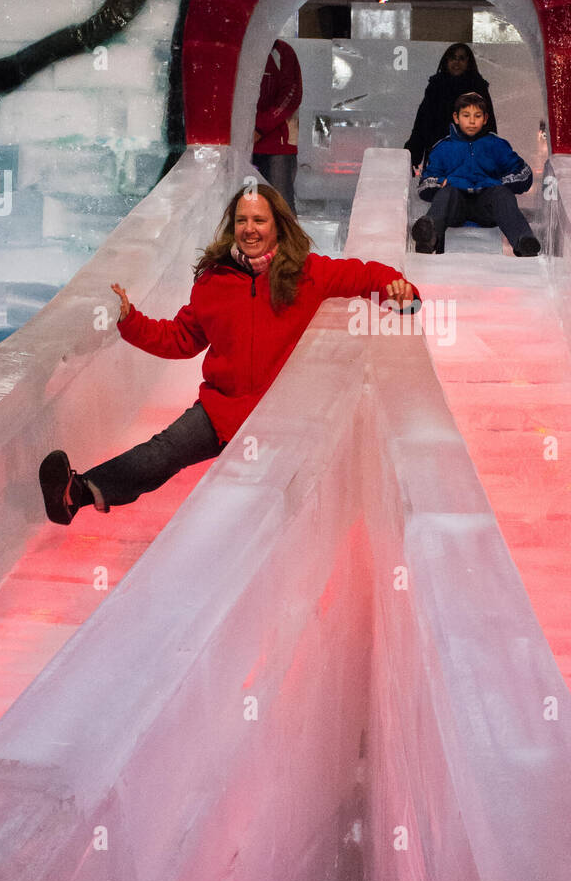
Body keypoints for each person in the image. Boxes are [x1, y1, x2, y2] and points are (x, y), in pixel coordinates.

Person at [38, 184, 420, 525]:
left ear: (277, 226)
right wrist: (131, 320)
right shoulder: (214, 280)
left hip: (280, 416)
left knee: (272, 502)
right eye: (241, 220)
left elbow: (364, 275)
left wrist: (400, 292)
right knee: (162, 453)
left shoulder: (308, 273)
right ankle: (78, 493)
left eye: (259, 220)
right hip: (222, 409)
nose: (250, 229)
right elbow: (181, 338)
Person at [411, 91, 540, 257]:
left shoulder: (496, 145)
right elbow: (425, 183)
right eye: (466, 115)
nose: (472, 121)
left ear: (485, 119)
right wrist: (441, 182)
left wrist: (501, 183)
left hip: (487, 206)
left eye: (477, 116)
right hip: (456, 208)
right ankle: (427, 236)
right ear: (456, 118)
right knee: (447, 192)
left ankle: (524, 241)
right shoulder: (444, 148)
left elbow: (524, 174)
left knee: (502, 194)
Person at [405, 43, 497, 173]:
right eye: (453, 58)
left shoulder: (478, 87)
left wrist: (489, 156)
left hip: (471, 158)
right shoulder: (436, 87)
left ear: (468, 62)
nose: (456, 62)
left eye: (461, 58)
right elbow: (423, 122)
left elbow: (489, 124)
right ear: (446, 60)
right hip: (438, 155)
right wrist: (413, 155)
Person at [251, 38, 301, 211]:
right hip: (244, 144)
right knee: (248, 205)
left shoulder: (282, 52)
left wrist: (259, 128)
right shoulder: (240, 50)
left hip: (277, 146)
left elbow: (290, 96)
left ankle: (290, 238)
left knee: (281, 206)